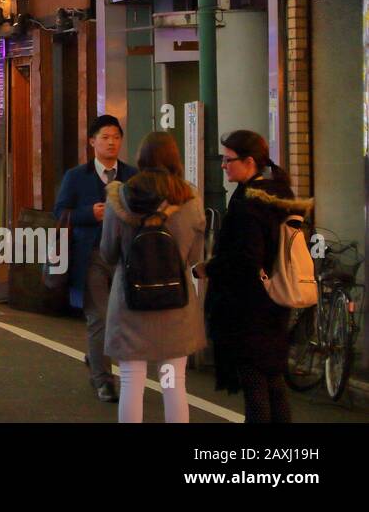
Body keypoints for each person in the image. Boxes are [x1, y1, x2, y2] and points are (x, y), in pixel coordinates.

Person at [198, 130, 311, 423]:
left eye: (228, 159)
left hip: (249, 306)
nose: (223, 165)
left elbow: (245, 257)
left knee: (255, 384)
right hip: (277, 298)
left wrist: (210, 268)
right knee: (273, 379)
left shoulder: (250, 203)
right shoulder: (279, 193)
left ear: (248, 161)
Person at [99, 131, 206, 423]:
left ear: (141, 158)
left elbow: (107, 252)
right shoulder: (190, 197)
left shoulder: (119, 196)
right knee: (173, 384)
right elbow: (195, 257)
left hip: (131, 300)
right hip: (175, 303)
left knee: (132, 381)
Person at [54, 114, 137, 402]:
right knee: (99, 317)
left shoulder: (132, 176)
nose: (111, 142)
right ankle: (103, 380)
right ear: (92, 142)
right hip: (90, 256)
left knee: (123, 318)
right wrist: (89, 214)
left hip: (125, 258)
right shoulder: (76, 177)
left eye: (116, 137)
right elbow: (60, 213)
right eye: (105, 137)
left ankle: (99, 360)